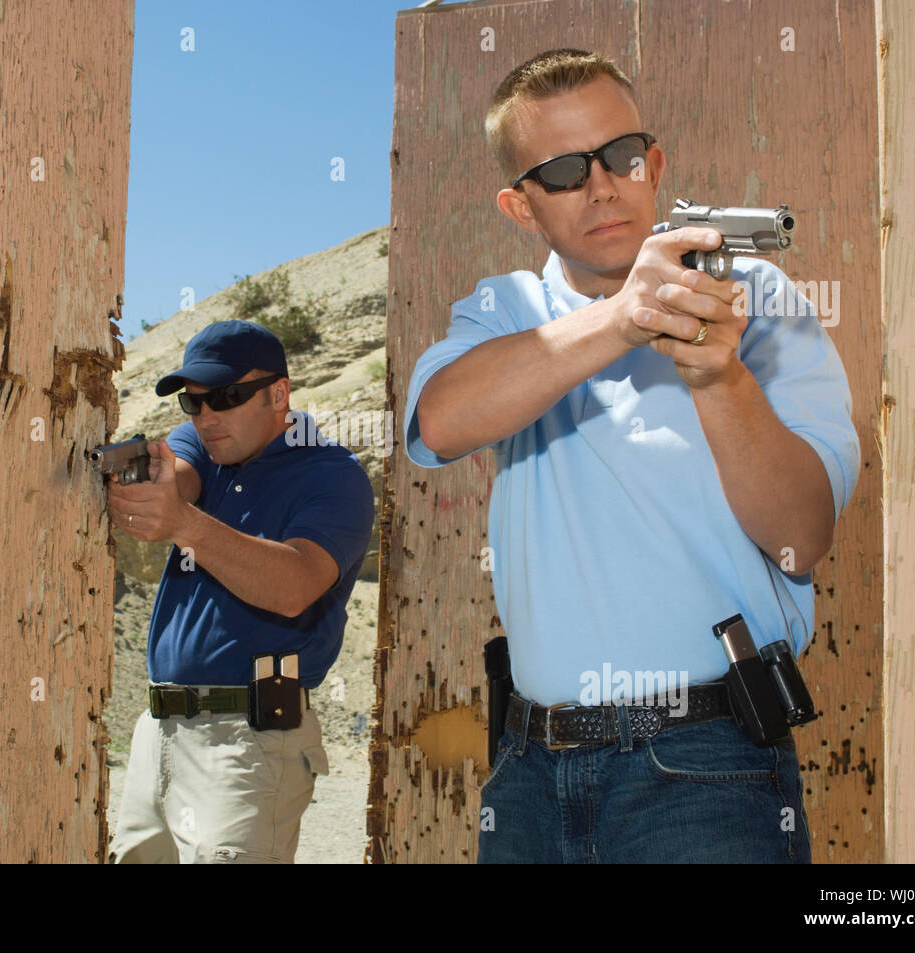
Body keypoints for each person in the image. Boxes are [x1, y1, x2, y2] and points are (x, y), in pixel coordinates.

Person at [404, 49, 860, 863]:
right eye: (565, 169)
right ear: (520, 206)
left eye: (619, 156)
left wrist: (720, 375)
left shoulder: (754, 298)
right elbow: (439, 424)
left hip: (704, 765)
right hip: (528, 770)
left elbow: (801, 535)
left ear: (653, 164)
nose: (603, 185)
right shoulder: (502, 310)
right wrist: (622, 319)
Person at [109, 319, 375, 863]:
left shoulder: (334, 475)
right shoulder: (209, 447)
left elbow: (296, 584)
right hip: (158, 728)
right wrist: (157, 487)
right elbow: (177, 473)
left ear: (279, 394)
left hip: (248, 740)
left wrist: (184, 523)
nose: (206, 417)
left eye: (227, 397)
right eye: (194, 402)